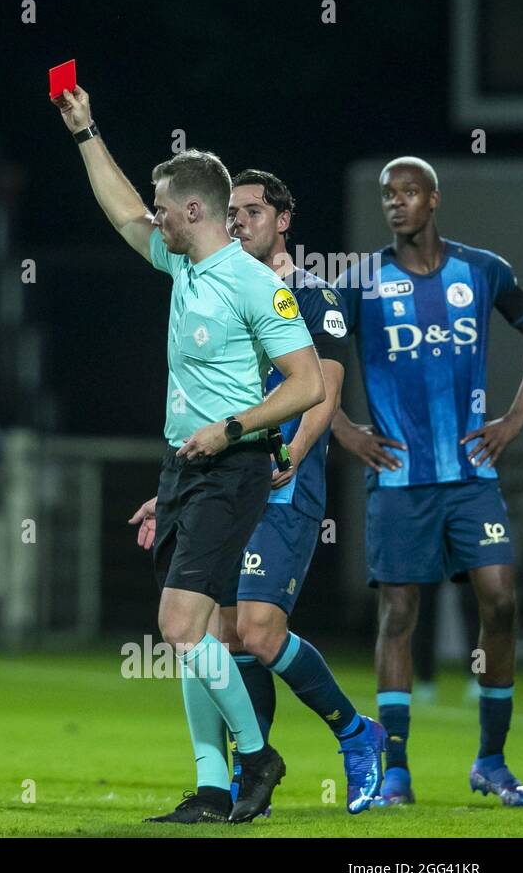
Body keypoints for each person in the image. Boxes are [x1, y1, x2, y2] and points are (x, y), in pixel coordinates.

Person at [53, 87, 325, 822]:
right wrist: (85, 132)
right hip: (187, 468)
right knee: (195, 636)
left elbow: (305, 385)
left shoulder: (253, 284)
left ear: (195, 213)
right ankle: (210, 788)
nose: (154, 215)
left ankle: (257, 756)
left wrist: (231, 429)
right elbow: (120, 211)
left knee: (179, 626)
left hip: (231, 468)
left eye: (164, 205)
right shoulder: (185, 267)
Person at [129, 170, 383, 819]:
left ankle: (356, 733)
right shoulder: (216, 284)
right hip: (227, 480)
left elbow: (319, 392)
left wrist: (292, 458)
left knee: (259, 633)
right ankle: (233, 786)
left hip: (281, 485)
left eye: (252, 211)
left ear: (284, 219)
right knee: (214, 632)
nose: (240, 222)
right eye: (232, 212)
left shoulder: (311, 294)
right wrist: (180, 492)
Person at [331, 156, 523, 807]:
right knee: (399, 613)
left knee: (500, 597)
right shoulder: (361, 282)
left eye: (408, 192)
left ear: (433, 200)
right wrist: (345, 430)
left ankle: (492, 762)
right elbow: (302, 357)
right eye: (388, 194)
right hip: (398, 480)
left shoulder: (483, 270)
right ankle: (395, 770)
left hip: (470, 474)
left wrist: (515, 418)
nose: (395, 203)